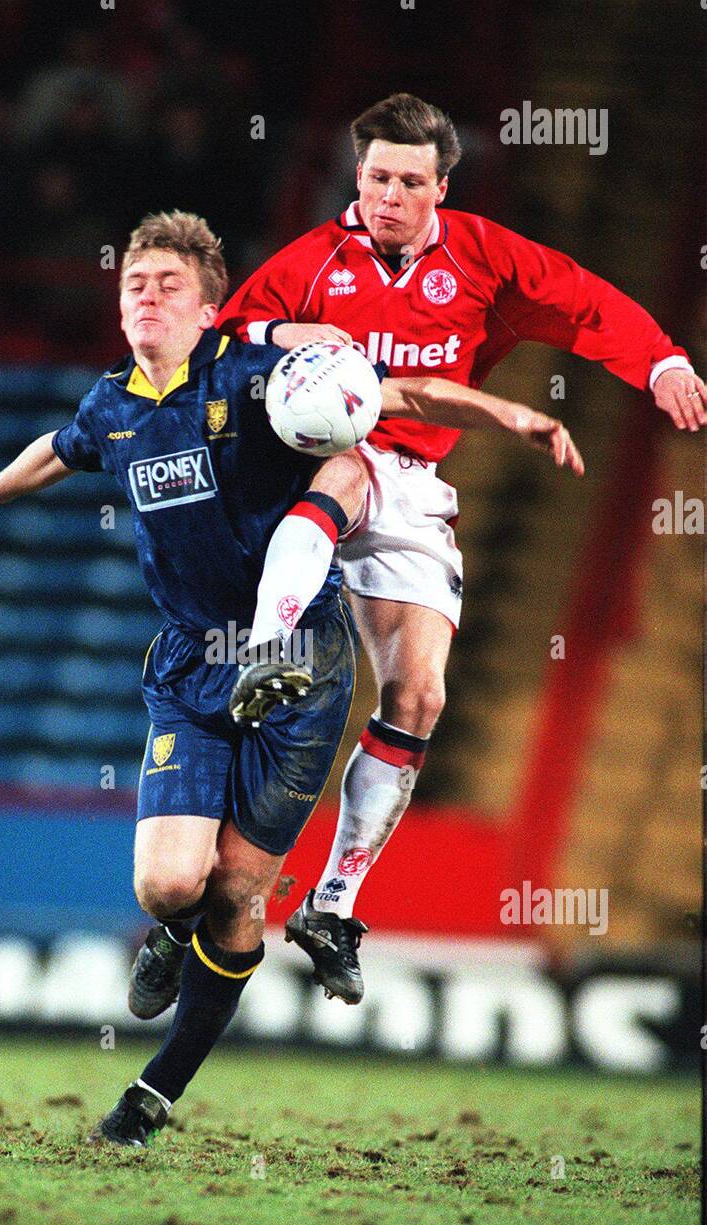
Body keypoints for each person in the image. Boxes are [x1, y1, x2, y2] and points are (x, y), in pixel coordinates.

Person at [0, 210, 582, 1146]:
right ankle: (169, 933)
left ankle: (153, 1095)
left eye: (166, 284)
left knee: (236, 889)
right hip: (191, 660)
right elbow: (58, 451)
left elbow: (395, 395)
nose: (146, 296)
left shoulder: (258, 375)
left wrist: (505, 411)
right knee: (165, 886)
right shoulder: (112, 402)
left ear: (209, 306)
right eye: (133, 284)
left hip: (299, 663)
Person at [217, 91, 706, 1003]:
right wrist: (280, 332)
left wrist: (662, 361)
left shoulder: (485, 258)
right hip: (310, 470)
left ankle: (332, 903)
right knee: (343, 479)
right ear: (354, 176)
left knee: (420, 693)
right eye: (374, 178)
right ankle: (268, 645)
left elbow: (585, 303)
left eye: (408, 181)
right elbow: (217, 346)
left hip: (414, 484)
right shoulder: (309, 260)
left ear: (442, 185)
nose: (387, 196)